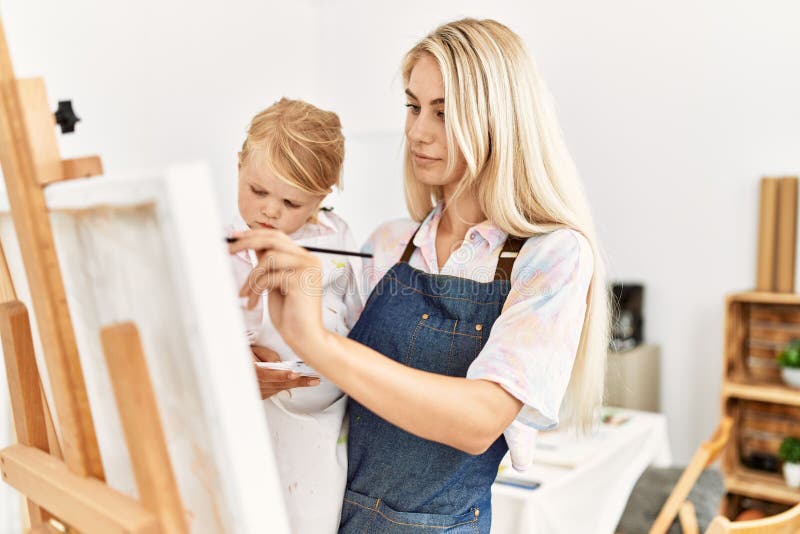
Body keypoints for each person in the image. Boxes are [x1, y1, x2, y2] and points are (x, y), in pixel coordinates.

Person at [230, 18, 608, 533]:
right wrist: (259, 370)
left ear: (499, 120)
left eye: (443, 113)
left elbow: (479, 422)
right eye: (413, 107)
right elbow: (331, 386)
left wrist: (315, 342)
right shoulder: (386, 244)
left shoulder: (551, 256)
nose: (416, 132)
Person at [226, 97, 361, 534]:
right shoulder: (223, 247)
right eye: (258, 191)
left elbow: (357, 319)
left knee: (308, 514)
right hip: (249, 417)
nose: (270, 210)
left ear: (322, 198)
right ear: (239, 165)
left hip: (319, 422)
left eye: (291, 202)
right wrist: (237, 364)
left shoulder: (336, 239)